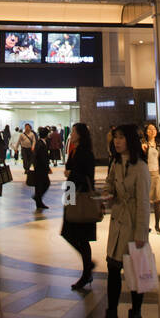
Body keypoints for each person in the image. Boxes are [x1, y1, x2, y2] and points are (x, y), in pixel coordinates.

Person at [96, 124, 151, 318]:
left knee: (136, 273)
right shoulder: (116, 163)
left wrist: (141, 235)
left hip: (132, 226)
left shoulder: (141, 168)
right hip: (117, 222)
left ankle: (135, 316)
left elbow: (144, 203)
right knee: (112, 268)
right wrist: (107, 195)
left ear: (130, 140)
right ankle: (111, 315)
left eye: (121, 138)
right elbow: (109, 185)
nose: (117, 141)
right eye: (115, 138)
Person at [62, 122, 97, 291]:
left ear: (80, 134)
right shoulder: (74, 150)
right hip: (72, 194)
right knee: (68, 232)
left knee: (79, 236)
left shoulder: (85, 153)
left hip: (81, 197)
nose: (72, 134)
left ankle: (86, 272)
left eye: (74, 131)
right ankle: (88, 267)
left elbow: (88, 176)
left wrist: (71, 173)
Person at [142, 121, 160, 233]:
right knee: (145, 201)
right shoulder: (143, 144)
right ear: (146, 132)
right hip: (146, 175)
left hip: (157, 174)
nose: (152, 131)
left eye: (154, 129)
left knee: (158, 200)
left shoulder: (159, 144)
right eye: (150, 129)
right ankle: (145, 224)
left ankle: (157, 225)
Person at [29, 127, 51, 210]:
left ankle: (39, 202)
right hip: (40, 168)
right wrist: (47, 167)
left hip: (40, 167)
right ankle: (37, 198)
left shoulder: (41, 142)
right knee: (45, 183)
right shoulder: (40, 143)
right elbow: (41, 157)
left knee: (40, 185)